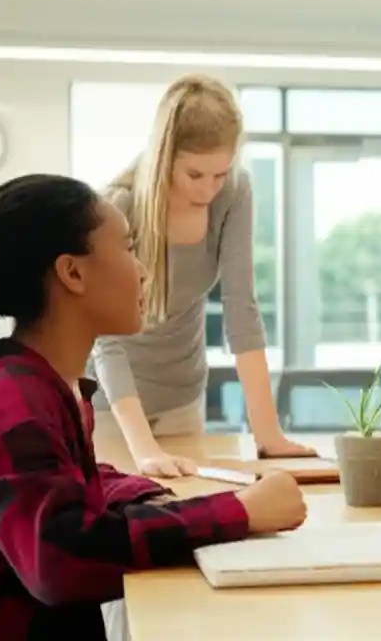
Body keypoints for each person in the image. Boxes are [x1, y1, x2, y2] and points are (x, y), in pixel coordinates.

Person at [0, 175, 307, 641]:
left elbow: (67, 479)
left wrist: (151, 495)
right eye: (130, 248)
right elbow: (60, 560)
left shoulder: (29, 382)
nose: (143, 270)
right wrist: (240, 512)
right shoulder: (14, 401)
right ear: (72, 273)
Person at [89, 74, 311, 478]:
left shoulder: (235, 193)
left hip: (182, 398)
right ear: (165, 156)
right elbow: (106, 339)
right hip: (112, 407)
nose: (209, 189)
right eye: (195, 175)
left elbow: (241, 308)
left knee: (186, 509)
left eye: (220, 174)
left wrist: (268, 435)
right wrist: (144, 449)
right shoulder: (118, 205)